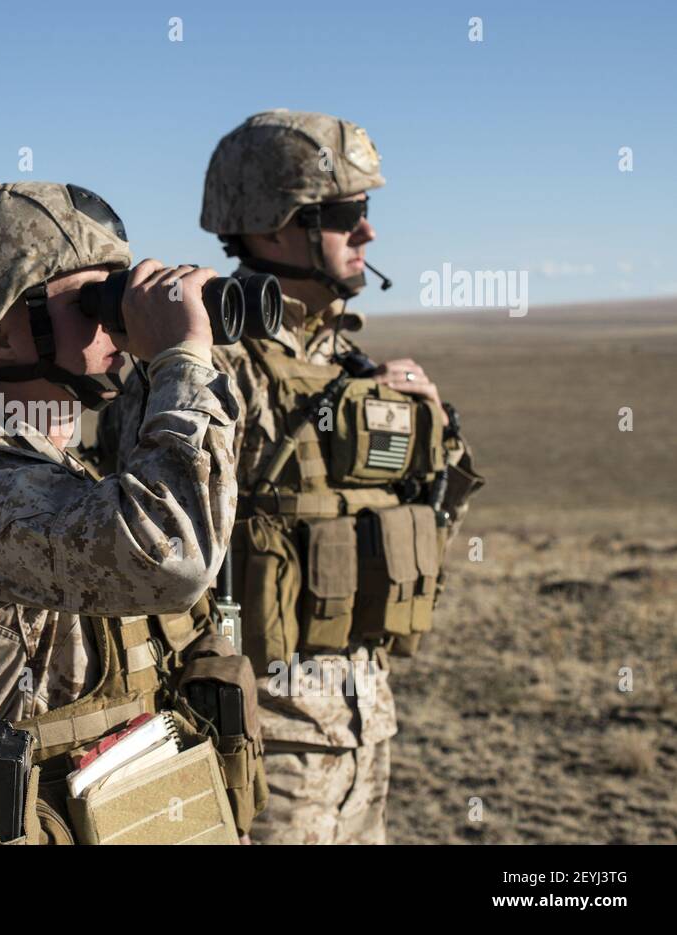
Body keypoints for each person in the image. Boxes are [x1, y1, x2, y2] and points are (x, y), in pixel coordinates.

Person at [99, 110, 484, 843]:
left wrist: (436, 434)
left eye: (364, 212)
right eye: (345, 214)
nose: (367, 232)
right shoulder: (203, 368)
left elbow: (425, 537)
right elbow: (140, 551)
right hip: (256, 742)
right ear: (274, 229)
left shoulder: (356, 370)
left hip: (365, 724)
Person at [0, 181, 266, 843]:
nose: (116, 320)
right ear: (4, 335)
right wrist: (180, 357)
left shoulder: (70, 475)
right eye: (93, 301)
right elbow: (174, 558)